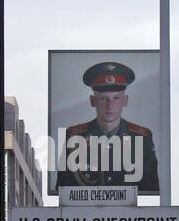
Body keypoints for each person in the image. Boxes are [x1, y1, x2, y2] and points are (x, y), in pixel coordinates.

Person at [55, 61, 160, 193]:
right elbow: (63, 189)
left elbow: (151, 189)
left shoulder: (142, 137)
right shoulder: (75, 137)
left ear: (125, 101)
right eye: (103, 98)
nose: (110, 105)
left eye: (116, 98)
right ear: (93, 101)